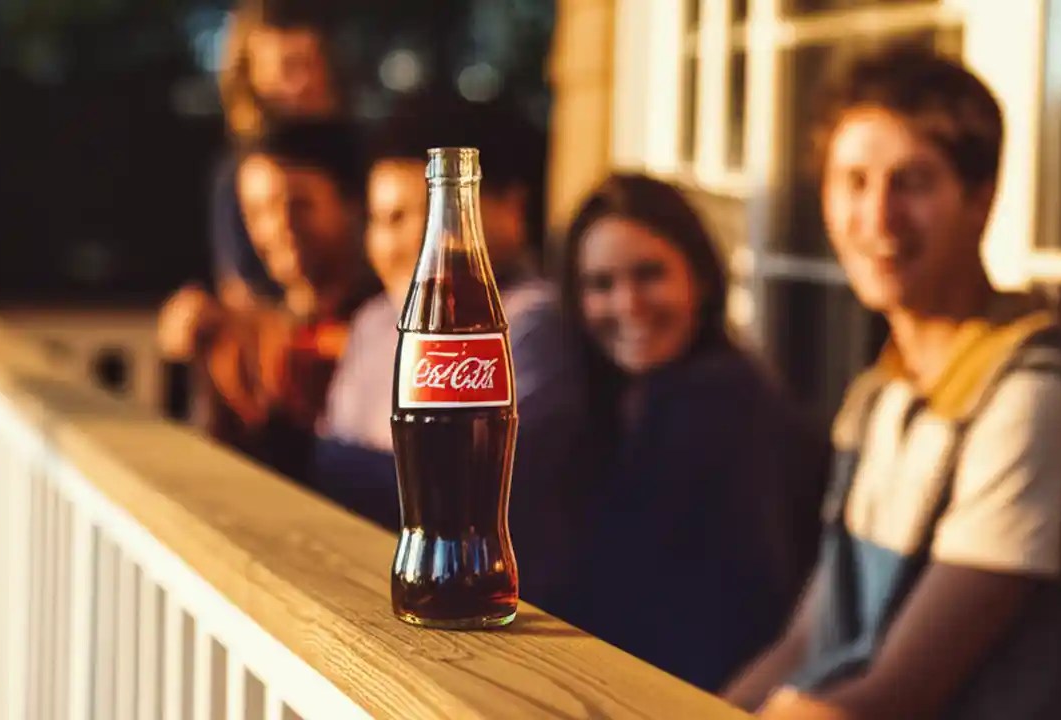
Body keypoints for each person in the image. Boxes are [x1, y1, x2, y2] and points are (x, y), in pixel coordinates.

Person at [723, 47, 1061, 719]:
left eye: (912, 182)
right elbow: (807, 640)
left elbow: (897, 696)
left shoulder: (1031, 394)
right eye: (853, 180)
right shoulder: (881, 393)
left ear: (981, 198)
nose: (879, 218)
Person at [559, 173, 828, 692]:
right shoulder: (613, 401)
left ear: (700, 280)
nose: (628, 304)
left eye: (650, 274)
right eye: (600, 285)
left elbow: (740, 613)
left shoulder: (722, 400)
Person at [312, 102, 583, 612]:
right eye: (379, 219)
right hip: (365, 592)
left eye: (413, 217)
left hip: (494, 606)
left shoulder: (525, 326)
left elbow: (489, 486)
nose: (392, 243)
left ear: (508, 208)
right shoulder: (376, 318)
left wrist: (312, 456)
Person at [158, 5, 345, 368]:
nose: (303, 82)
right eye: (288, 68)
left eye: (312, 64)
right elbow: (240, 297)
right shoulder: (237, 174)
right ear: (252, 75)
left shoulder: (359, 160)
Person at [192, 118, 378, 481]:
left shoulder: (387, 326)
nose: (280, 225)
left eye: (300, 204)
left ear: (352, 205)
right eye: (258, 211)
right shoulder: (248, 337)